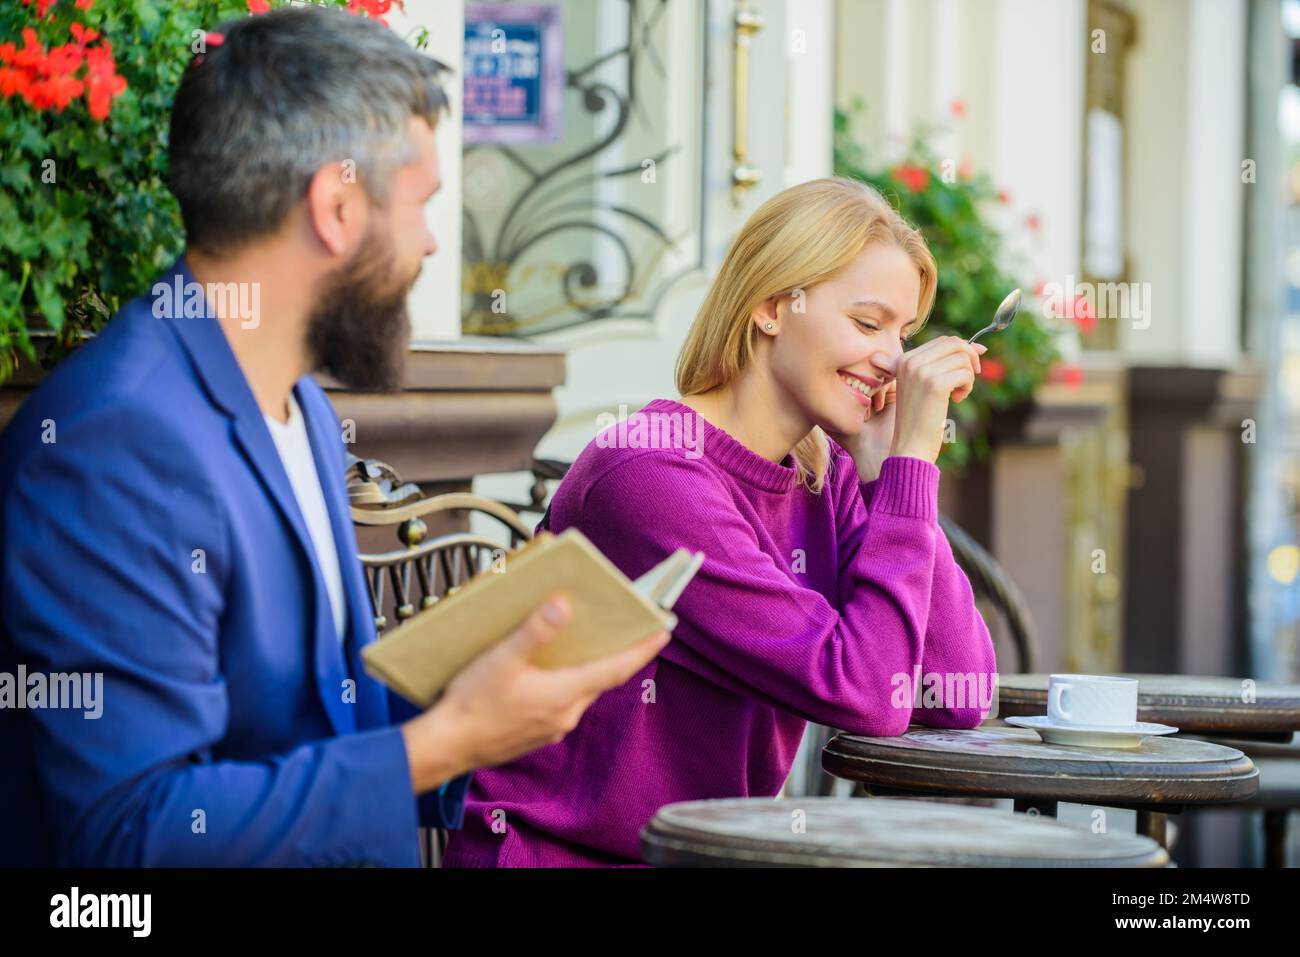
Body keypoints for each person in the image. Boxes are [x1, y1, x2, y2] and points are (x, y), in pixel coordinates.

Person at [0, 6, 668, 867]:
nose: (433, 241)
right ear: (338, 206)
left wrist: (491, 685)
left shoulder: (299, 402)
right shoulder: (117, 442)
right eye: (423, 201)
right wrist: (446, 741)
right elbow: (131, 834)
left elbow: (320, 718)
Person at [443, 177, 999, 867]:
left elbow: (954, 694)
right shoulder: (650, 475)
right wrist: (911, 462)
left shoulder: (825, 477)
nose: (893, 359)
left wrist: (894, 474)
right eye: (866, 323)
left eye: (904, 332)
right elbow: (866, 693)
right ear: (771, 306)